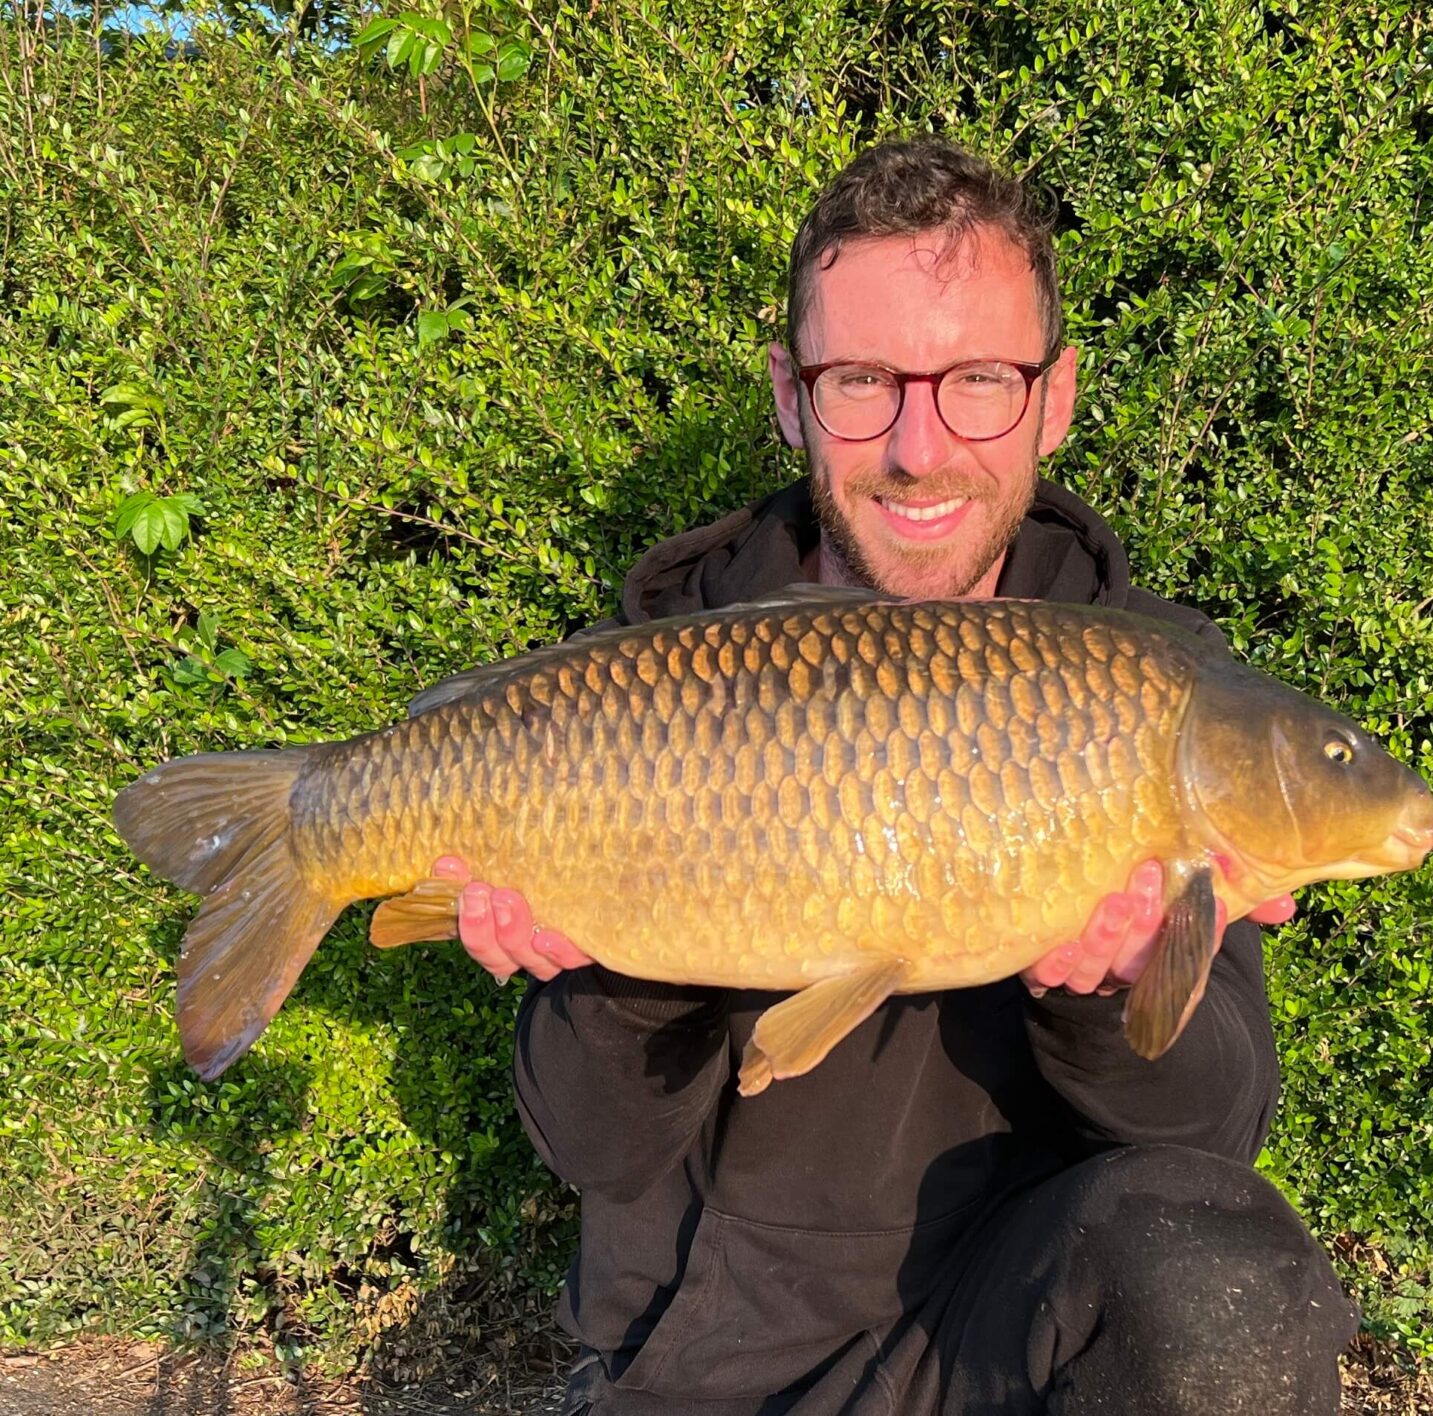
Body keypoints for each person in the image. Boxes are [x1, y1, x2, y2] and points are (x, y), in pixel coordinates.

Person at [432, 139, 1360, 1414]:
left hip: (1009, 1340)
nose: (920, 449)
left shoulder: (1156, 685)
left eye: (979, 380)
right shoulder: (654, 684)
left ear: (1055, 397)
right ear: (791, 395)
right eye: (862, 380)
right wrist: (641, 950)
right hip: (693, 1361)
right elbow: (591, 1144)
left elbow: (1208, 1154)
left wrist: (1110, 998)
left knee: (1220, 1287)